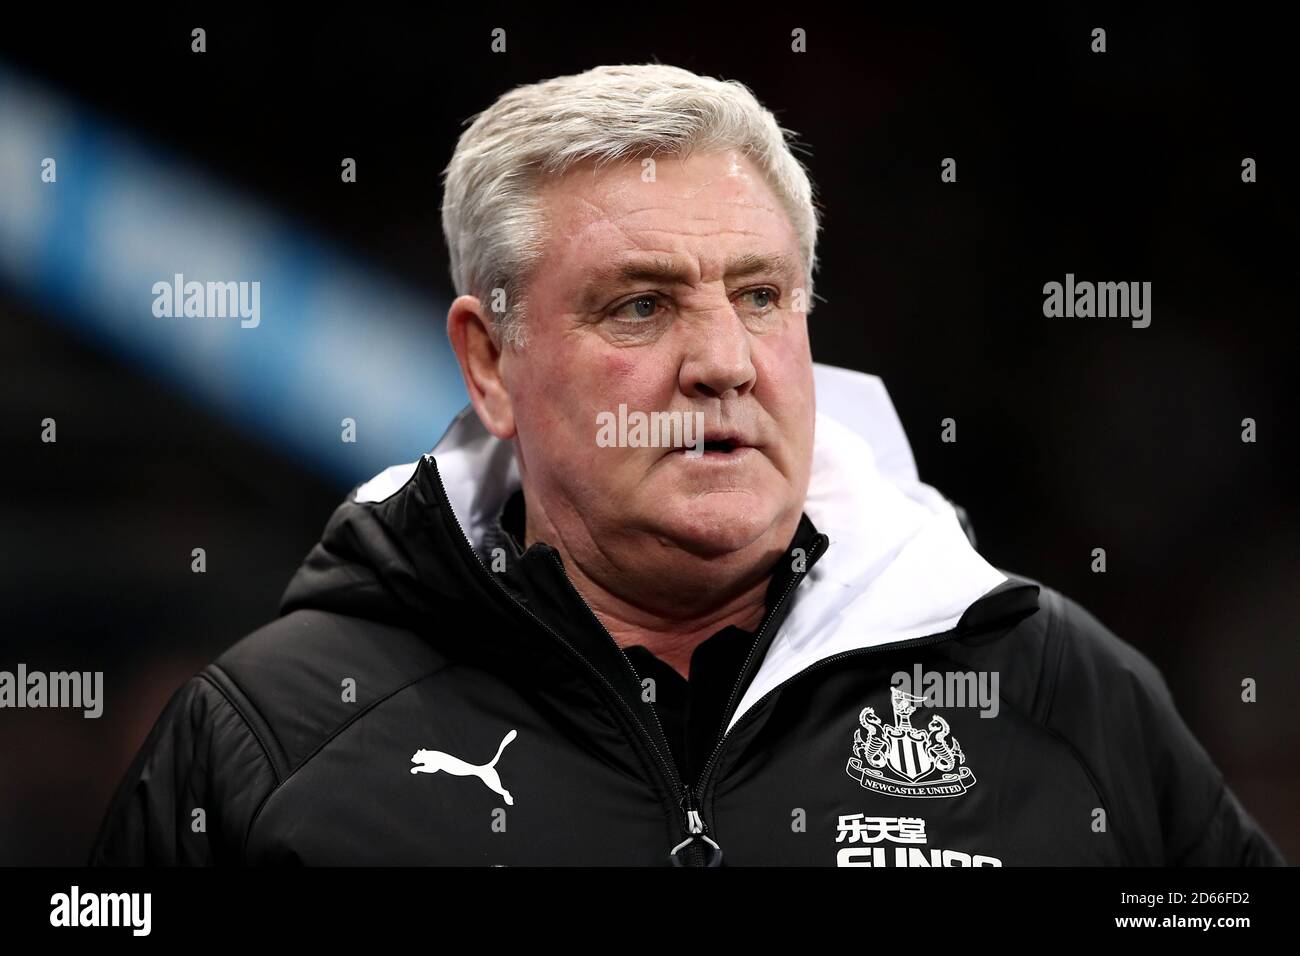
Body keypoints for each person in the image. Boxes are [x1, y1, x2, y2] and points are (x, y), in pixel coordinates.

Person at [89, 63, 1286, 866]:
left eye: (761, 296)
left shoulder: (1057, 691)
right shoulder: (268, 740)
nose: (724, 362)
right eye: (640, 306)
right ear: (490, 362)